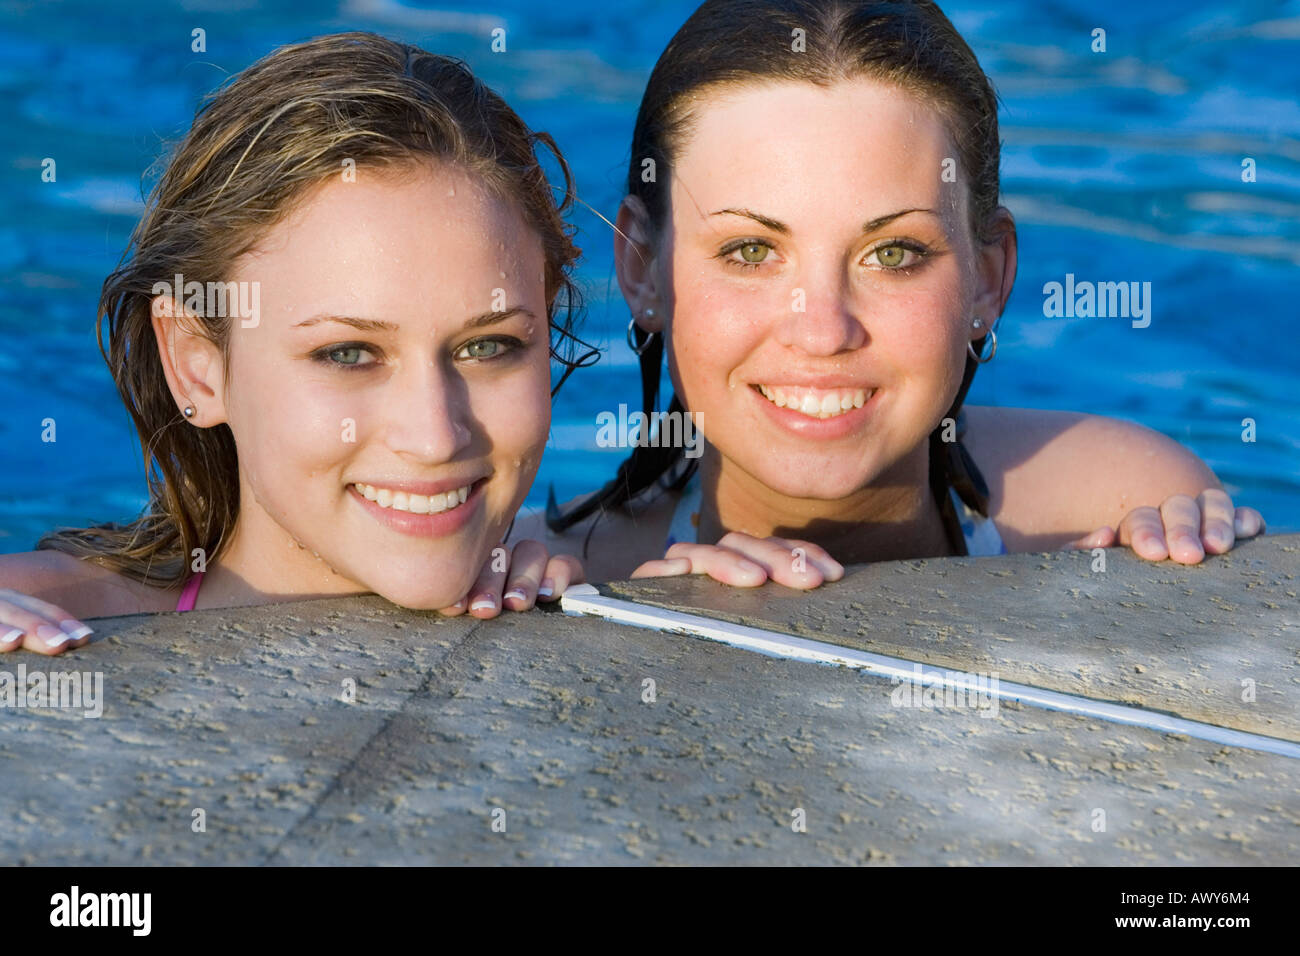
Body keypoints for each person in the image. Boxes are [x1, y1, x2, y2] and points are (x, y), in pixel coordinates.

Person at [523, 0, 1265, 586]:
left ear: (989, 278)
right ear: (641, 270)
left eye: (892, 253)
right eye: (750, 251)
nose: (822, 331)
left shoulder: (1118, 507)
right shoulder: (553, 583)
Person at [0, 33, 586, 655]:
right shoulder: (41, 612)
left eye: (488, 346)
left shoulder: (579, 572)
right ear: (197, 365)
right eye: (347, 353)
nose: (436, 437)